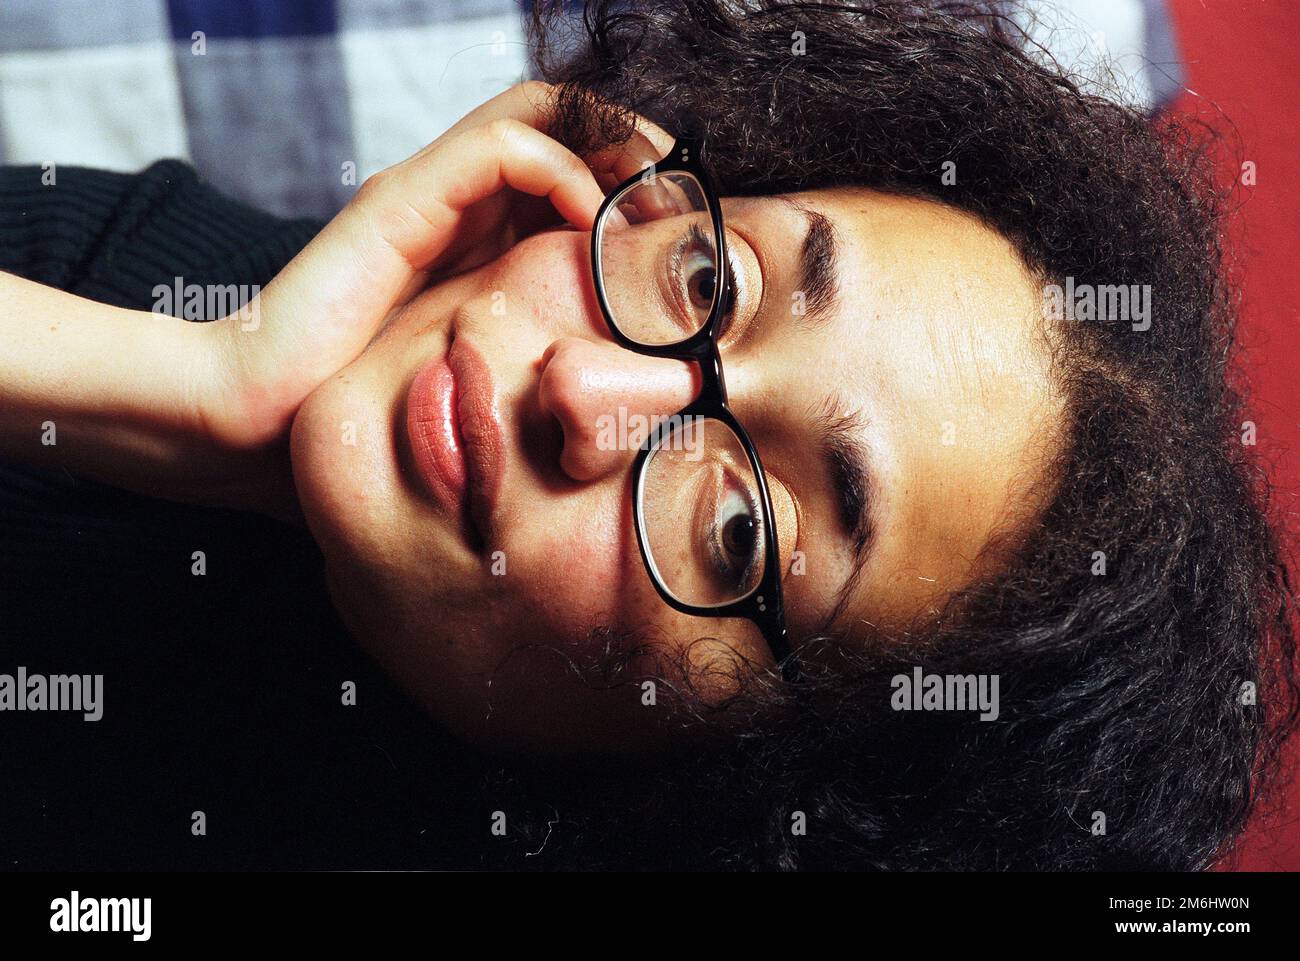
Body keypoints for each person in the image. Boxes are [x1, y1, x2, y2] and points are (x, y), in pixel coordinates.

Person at [0, 0, 1294, 870]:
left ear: (742, 781)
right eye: (713, 284)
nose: (581, 392)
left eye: (738, 531)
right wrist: (177, 382)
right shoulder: (250, 303)